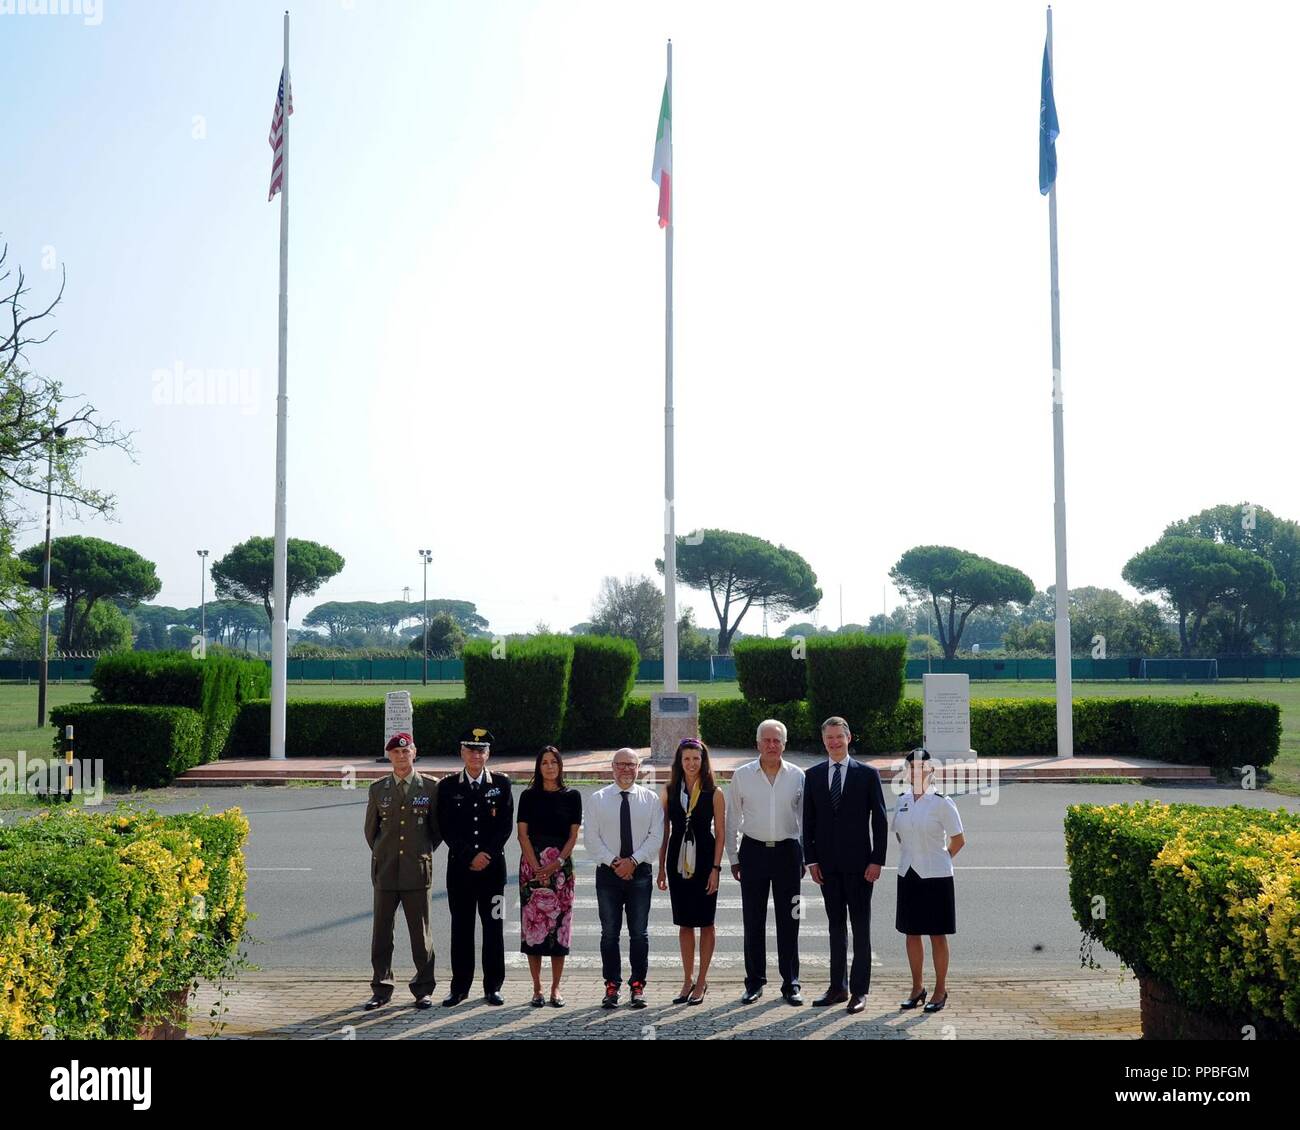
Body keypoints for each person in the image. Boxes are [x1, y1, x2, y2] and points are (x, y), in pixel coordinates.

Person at [803, 716, 888, 1014]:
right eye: (829, 738)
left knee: (860, 929)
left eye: (839, 737)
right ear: (823, 740)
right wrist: (811, 859)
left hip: (861, 866)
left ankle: (860, 991)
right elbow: (808, 822)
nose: (834, 742)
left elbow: (879, 820)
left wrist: (878, 860)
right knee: (835, 927)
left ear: (849, 738)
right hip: (827, 868)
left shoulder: (866, 775)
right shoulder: (812, 775)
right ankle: (838, 987)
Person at [726, 719, 806, 1005]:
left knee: (790, 921)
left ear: (784, 744)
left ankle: (791, 983)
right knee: (753, 921)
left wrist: (806, 856)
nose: (772, 746)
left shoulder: (798, 775)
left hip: (787, 854)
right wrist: (733, 858)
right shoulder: (742, 775)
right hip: (753, 853)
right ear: (758, 743)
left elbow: (804, 820)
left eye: (777, 741)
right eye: (767, 740)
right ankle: (755, 982)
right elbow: (732, 818)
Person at [436, 727, 514, 1007]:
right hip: (460, 872)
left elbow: (505, 827)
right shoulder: (447, 787)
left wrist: (486, 855)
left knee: (493, 929)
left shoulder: (502, 784)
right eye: (470, 749)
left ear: (488, 754)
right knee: (462, 929)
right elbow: (446, 828)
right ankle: (459, 987)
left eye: (481, 750)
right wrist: (470, 855)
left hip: (493, 873)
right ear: (461, 752)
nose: (475, 755)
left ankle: (493, 986)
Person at [363, 731, 441, 1010]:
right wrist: (385, 854)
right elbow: (371, 831)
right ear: (390, 756)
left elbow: (437, 831)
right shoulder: (378, 789)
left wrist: (420, 853)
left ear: (414, 753)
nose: (401, 756)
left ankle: (423, 988)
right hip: (385, 870)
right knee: (382, 932)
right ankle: (381, 988)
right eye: (396, 752)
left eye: (405, 752)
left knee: (421, 933)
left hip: (416, 870)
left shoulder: (431, 787)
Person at [585, 747, 662, 1008]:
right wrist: (616, 862)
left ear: (638, 768)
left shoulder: (650, 799)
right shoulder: (597, 799)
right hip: (608, 874)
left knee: (639, 933)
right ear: (613, 768)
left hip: (640, 872)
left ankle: (638, 985)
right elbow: (591, 838)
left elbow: (656, 836)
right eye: (621, 765)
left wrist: (633, 861)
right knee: (609, 934)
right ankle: (612, 985)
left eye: (631, 764)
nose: (626, 769)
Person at [893, 748, 966, 1014]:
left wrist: (941, 858)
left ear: (931, 771)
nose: (917, 772)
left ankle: (940, 989)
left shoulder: (942, 802)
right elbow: (900, 835)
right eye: (912, 768)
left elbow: (958, 840)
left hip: (937, 876)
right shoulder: (902, 800)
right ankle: (917, 988)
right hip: (908, 873)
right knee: (911, 933)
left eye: (922, 767)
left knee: (937, 934)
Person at [656, 737, 725, 1005]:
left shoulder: (714, 792)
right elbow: (664, 831)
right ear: (680, 761)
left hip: (705, 858)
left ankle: (702, 980)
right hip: (678, 859)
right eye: (687, 758)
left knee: (706, 921)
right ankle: (687, 979)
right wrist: (661, 868)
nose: (692, 763)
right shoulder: (670, 790)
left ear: (703, 761)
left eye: (696, 758)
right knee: (684, 922)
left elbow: (719, 833)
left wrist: (716, 869)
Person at [517, 745, 582, 1008]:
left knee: (558, 929)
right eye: (544, 762)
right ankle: (537, 988)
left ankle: (556, 988)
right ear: (538, 767)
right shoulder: (528, 796)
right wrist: (536, 867)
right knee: (533, 930)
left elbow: (573, 835)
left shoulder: (572, 796)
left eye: (553, 762)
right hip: (531, 866)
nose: (549, 767)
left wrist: (556, 864)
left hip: (561, 869)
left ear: (560, 766)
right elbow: (522, 835)